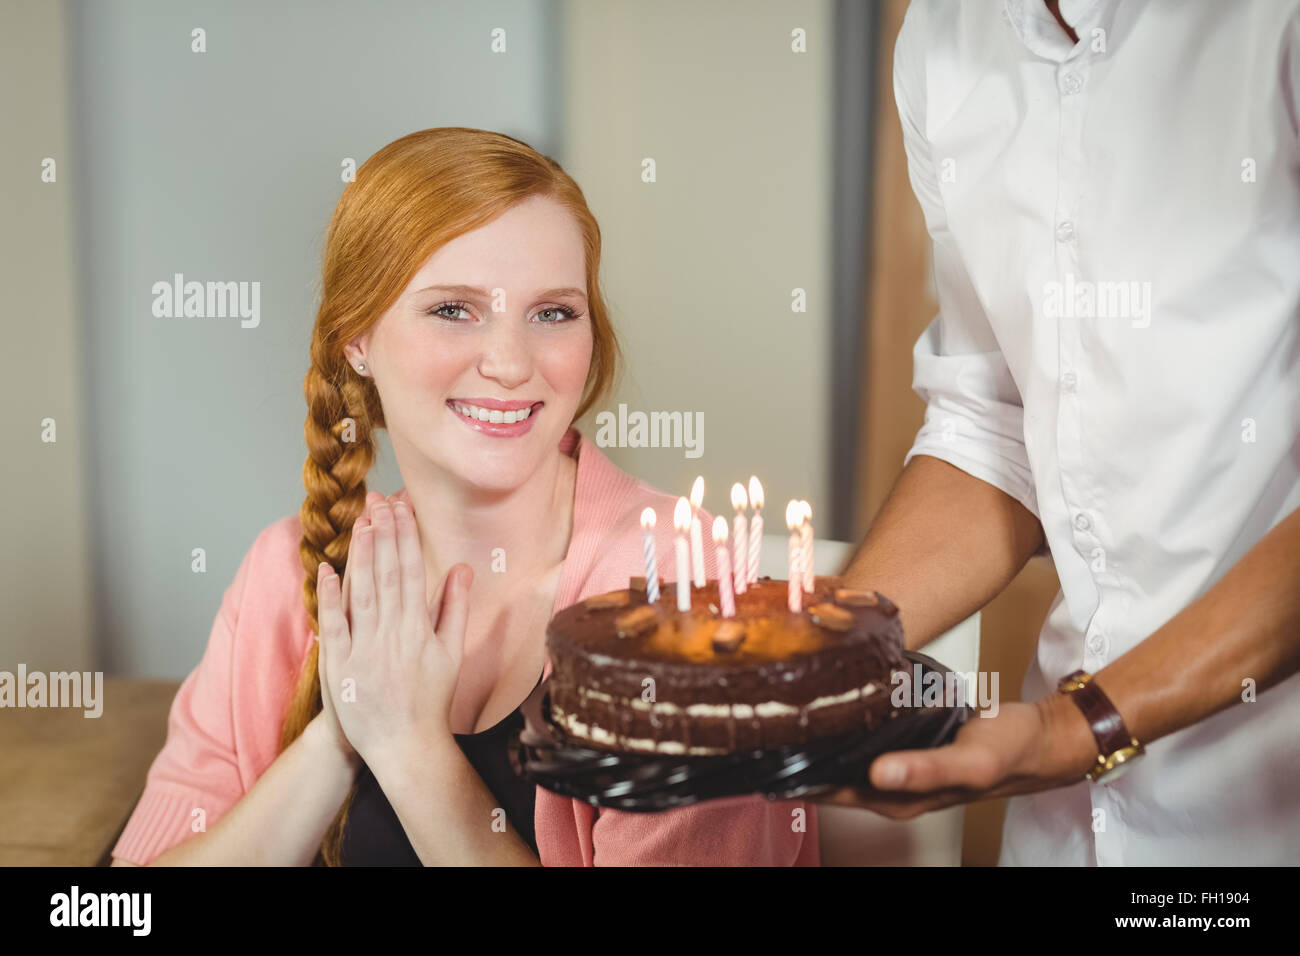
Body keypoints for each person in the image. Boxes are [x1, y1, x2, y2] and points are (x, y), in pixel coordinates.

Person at [111, 127, 818, 866]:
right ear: (357, 337)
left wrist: (412, 749)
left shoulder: (688, 591)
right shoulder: (281, 577)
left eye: (552, 313)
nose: (511, 364)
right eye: (454, 309)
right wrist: (339, 735)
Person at [831, 0, 1300, 865]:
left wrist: (1077, 728)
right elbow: (993, 422)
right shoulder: (941, 40)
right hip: (1062, 827)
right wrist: (811, 656)